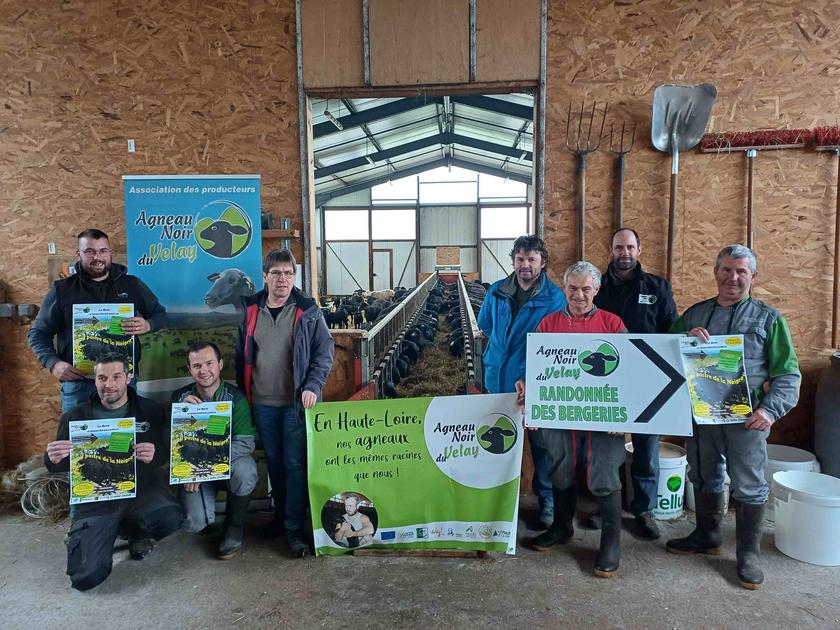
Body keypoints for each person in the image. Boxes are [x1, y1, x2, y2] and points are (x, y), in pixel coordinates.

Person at [666, 244, 800, 589]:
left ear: (753, 276)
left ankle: (748, 555)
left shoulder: (768, 319)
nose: (733, 277)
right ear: (716, 273)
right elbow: (663, 350)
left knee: (749, 486)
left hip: (746, 420)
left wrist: (770, 410)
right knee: (704, 475)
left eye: (741, 271)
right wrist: (683, 338)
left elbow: (788, 375)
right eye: (726, 269)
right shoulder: (694, 315)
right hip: (702, 415)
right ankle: (707, 536)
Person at [519, 261, 627, 578]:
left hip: (603, 418)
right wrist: (531, 394)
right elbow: (536, 368)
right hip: (560, 416)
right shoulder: (548, 324)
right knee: (560, 468)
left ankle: (611, 543)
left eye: (586, 289)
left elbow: (631, 371)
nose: (579, 295)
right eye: (572, 288)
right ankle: (562, 527)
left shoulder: (613, 324)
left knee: (605, 474)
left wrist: (625, 414)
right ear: (564, 288)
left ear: (596, 290)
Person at [44, 352, 183, 591]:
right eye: (102, 378)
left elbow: (163, 454)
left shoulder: (150, 411)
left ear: (128, 378)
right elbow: (60, 465)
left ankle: (135, 532)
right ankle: (100, 532)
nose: (109, 384)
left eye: (116, 376)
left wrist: (154, 455)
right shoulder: (75, 417)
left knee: (172, 516)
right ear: (95, 380)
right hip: (96, 500)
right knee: (85, 578)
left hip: (140, 492)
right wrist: (52, 458)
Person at [236, 248, 334, 558]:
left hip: (294, 404)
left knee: (295, 465)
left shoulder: (307, 310)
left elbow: (324, 351)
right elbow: (241, 353)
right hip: (262, 402)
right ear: (264, 277)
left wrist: (314, 386)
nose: (283, 279)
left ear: (295, 277)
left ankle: (294, 529)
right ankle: (280, 519)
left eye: (289, 274)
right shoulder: (251, 309)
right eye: (276, 273)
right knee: (275, 465)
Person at [590, 227, 677, 540]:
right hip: (605, 378)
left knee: (645, 447)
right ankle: (607, 505)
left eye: (629, 247)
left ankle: (643, 509)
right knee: (608, 446)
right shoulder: (597, 287)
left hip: (646, 380)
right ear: (611, 250)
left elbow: (671, 331)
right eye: (618, 248)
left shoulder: (657, 287)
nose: (624, 253)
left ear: (639, 250)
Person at [477, 235, 567, 529]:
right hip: (497, 379)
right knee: (498, 442)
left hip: (535, 383)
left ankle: (547, 501)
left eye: (531, 259)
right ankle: (500, 502)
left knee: (542, 446)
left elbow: (553, 344)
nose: (525, 265)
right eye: (520, 259)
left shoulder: (555, 299)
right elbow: (486, 325)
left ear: (543, 262)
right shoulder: (496, 292)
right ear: (513, 260)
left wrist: (528, 377)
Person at [28, 228, 168, 412]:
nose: (97, 257)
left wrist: (148, 324)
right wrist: (53, 363)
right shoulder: (62, 290)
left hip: (123, 383)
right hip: (79, 385)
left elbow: (162, 316)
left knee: (123, 439)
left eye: (103, 251)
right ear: (79, 254)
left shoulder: (132, 285)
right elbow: (37, 333)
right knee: (76, 439)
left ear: (110, 252)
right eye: (90, 252)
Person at [171, 340, 258, 560]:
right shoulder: (180, 399)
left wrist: (204, 467)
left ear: (220, 365)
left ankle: (234, 527)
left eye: (209, 363)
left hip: (228, 464)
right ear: (190, 370)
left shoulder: (235, 398)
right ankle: (206, 519)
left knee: (246, 470)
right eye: (197, 366)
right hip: (194, 470)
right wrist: (181, 412)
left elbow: (246, 443)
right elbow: (172, 444)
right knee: (194, 523)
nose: (204, 371)